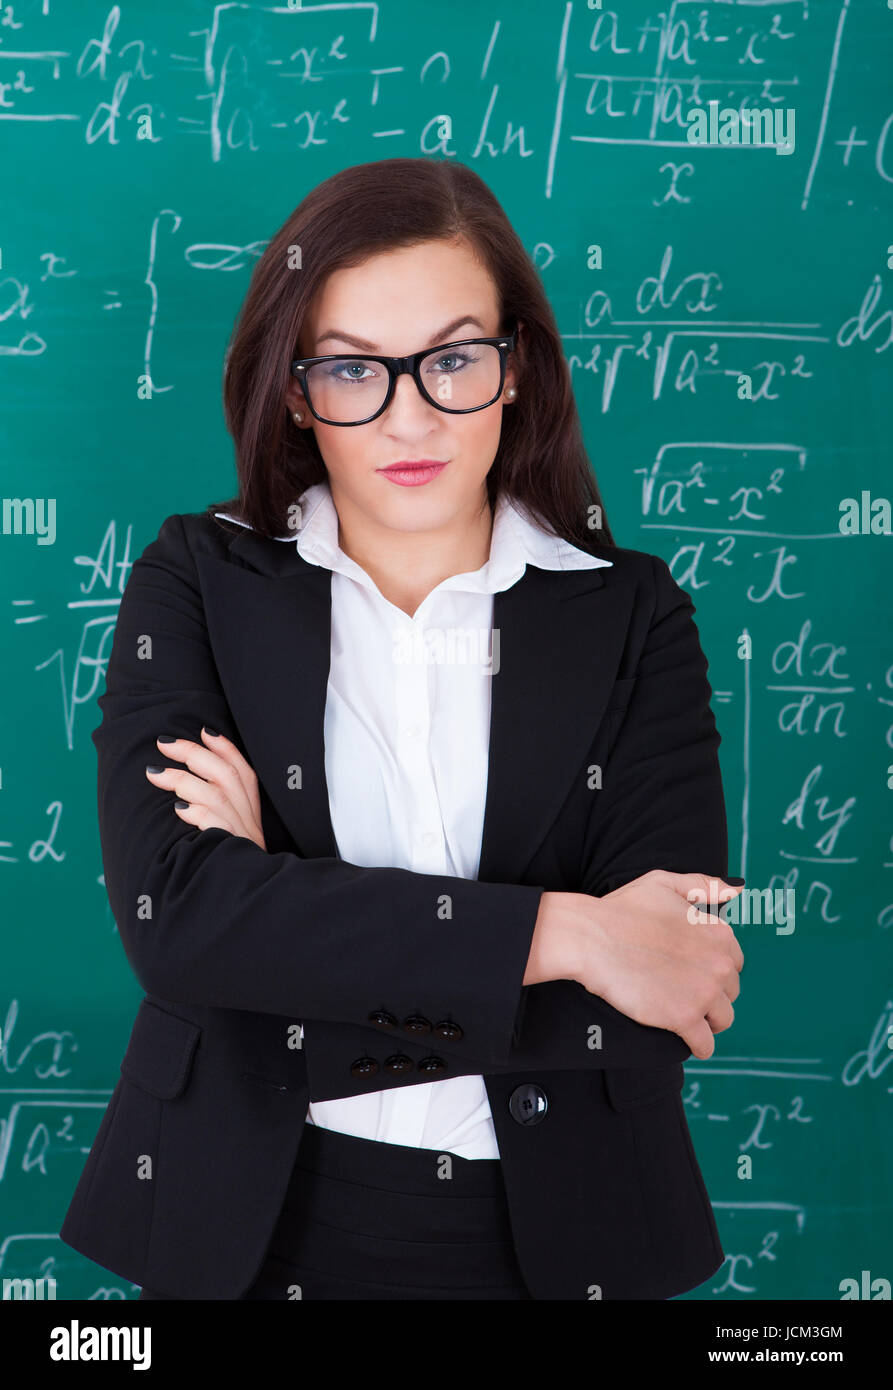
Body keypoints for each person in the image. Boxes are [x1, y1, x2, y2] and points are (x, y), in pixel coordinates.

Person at [60, 157, 744, 1301]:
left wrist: (277, 921)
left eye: (453, 357)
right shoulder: (195, 583)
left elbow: (655, 1001)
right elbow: (176, 926)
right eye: (349, 370)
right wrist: (569, 934)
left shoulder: (631, 614)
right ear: (293, 391)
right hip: (248, 1227)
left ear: (514, 368)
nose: (409, 413)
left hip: (553, 1235)